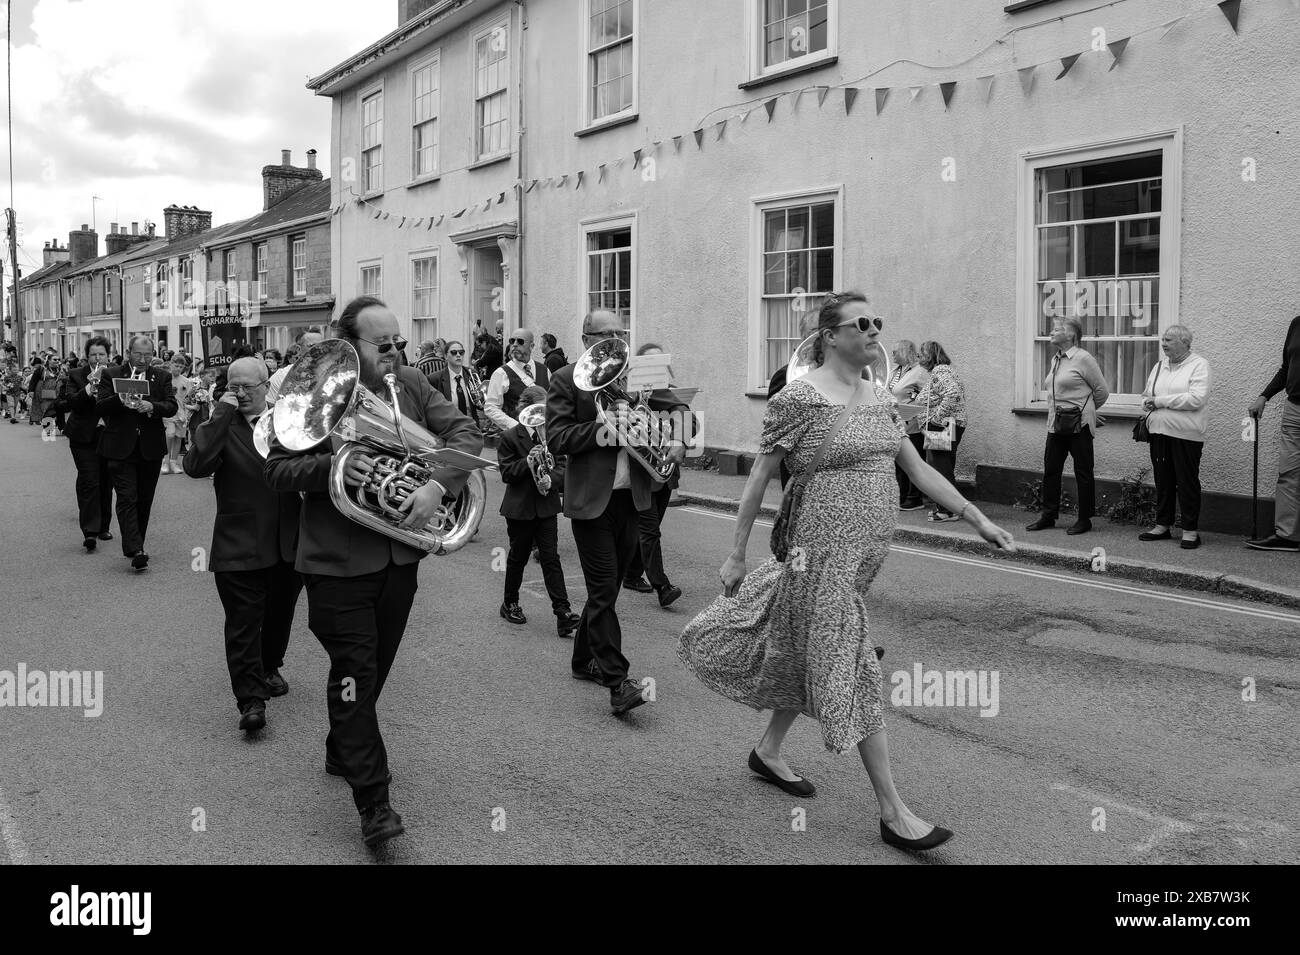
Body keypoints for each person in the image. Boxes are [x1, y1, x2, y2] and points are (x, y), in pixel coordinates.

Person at [678, 291, 1016, 852]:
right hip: (819, 558)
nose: (875, 330)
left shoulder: (881, 397)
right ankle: (894, 811)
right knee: (849, 663)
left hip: (861, 560)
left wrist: (975, 516)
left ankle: (767, 751)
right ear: (830, 335)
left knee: (803, 646)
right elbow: (760, 478)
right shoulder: (799, 397)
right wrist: (736, 552)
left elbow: (915, 468)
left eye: (879, 320)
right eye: (863, 323)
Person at [264, 295, 482, 848]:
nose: (395, 353)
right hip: (336, 565)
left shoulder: (410, 384)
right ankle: (375, 804)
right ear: (349, 346)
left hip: (397, 559)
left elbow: (466, 436)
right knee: (355, 673)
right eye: (383, 345)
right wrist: (337, 460)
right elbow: (277, 471)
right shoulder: (309, 388)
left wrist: (437, 486)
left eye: (399, 342)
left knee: (372, 673)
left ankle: (344, 746)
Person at [546, 309, 689, 715]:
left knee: (603, 591)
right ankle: (617, 681)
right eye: (604, 333)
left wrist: (678, 438)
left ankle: (581, 660)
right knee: (605, 588)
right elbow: (557, 436)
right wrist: (605, 429)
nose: (614, 339)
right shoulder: (565, 378)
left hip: (633, 498)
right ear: (586, 338)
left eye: (619, 332)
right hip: (591, 501)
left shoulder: (637, 375)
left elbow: (679, 409)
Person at [185, 357, 302, 733]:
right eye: (233, 386)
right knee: (242, 624)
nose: (240, 394)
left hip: (287, 539)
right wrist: (222, 411)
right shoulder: (221, 423)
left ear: (266, 386)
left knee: (279, 614)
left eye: (248, 387)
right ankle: (250, 700)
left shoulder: (288, 419)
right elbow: (196, 464)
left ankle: (269, 665)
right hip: (239, 542)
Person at [496, 384, 581, 636]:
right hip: (520, 508)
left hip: (546, 506)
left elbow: (563, 466)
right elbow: (507, 473)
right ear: (525, 409)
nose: (543, 417)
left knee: (551, 558)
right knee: (518, 557)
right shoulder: (510, 437)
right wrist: (528, 461)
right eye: (539, 410)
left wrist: (551, 480)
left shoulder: (552, 436)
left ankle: (562, 612)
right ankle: (509, 602)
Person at [96, 335, 178, 571]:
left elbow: (171, 406)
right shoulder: (111, 374)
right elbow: (100, 406)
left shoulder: (161, 376)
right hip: (119, 447)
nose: (142, 359)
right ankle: (136, 549)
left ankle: (137, 542)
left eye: (148, 355)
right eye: (138, 354)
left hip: (149, 447)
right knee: (126, 497)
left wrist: (153, 406)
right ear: (128, 352)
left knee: (144, 499)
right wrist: (119, 399)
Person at [1025, 318, 1109, 536]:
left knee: (1083, 472)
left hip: (1078, 425)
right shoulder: (1056, 359)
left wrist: (1088, 411)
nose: (1051, 332)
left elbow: (1102, 391)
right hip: (1056, 424)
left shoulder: (1083, 358)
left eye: (1057, 329)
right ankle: (1049, 515)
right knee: (1051, 471)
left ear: (1072, 335)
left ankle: (1084, 519)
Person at [1136, 326, 1211, 549]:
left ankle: (1190, 530)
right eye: (1163, 340)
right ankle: (1162, 525)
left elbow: (1196, 399)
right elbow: (1146, 395)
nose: (1163, 343)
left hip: (1186, 434)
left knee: (1186, 481)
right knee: (1163, 480)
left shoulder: (1199, 365)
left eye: (1168, 340)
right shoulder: (1159, 366)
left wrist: (1160, 401)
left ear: (1184, 342)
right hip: (1159, 432)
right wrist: (1147, 402)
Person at [622, 343, 684, 608]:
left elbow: (687, 416)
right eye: (649, 364)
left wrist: (679, 437)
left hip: (663, 470)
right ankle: (662, 585)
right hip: (639, 473)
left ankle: (632, 574)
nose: (654, 369)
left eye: (659, 364)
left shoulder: (664, 393)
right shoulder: (628, 392)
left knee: (649, 527)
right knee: (650, 530)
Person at [53, 336, 115, 551]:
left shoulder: (116, 374)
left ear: (108, 355)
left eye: (101, 354)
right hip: (82, 437)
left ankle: (103, 526)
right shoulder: (76, 375)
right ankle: (90, 531)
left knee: (106, 481)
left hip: (108, 435)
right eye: (93, 355)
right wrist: (90, 387)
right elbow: (70, 403)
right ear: (86, 356)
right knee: (90, 480)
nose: (97, 358)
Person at [1246, 314, 1300, 552]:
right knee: (1289, 473)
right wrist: (1264, 396)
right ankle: (1287, 536)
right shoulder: (1297, 324)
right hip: (1295, 409)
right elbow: (1286, 367)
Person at [914, 340, 968, 522]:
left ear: (930, 355)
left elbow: (952, 394)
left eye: (921, 353)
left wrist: (935, 420)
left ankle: (948, 510)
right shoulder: (944, 371)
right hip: (950, 424)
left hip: (942, 426)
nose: (918, 356)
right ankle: (946, 508)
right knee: (943, 466)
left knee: (939, 468)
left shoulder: (940, 372)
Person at [767, 311, 820, 489]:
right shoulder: (784, 376)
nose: (820, 334)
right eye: (815, 330)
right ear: (803, 336)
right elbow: (776, 433)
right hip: (800, 474)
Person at [886, 339, 930, 511]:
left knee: (913, 460)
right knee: (899, 462)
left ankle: (915, 498)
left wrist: (912, 403)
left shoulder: (919, 372)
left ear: (904, 352)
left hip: (913, 423)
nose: (892, 355)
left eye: (895, 351)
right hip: (897, 423)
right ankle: (902, 495)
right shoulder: (896, 370)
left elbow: (927, 395)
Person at [485, 329, 550, 434]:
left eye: (520, 341)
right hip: (517, 438)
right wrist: (514, 426)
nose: (514, 345)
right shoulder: (501, 373)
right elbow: (491, 407)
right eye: (512, 341)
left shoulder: (544, 370)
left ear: (532, 346)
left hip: (545, 434)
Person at [265, 329, 326, 405]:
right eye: (313, 346)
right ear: (298, 349)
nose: (320, 350)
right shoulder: (281, 376)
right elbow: (271, 407)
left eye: (323, 345)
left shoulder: (333, 372)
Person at [429, 340, 484, 422]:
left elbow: (480, 405)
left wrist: (482, 397)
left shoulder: (471, 374)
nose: (458, 355)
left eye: (461, 352)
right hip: (448, 427)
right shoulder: (435, 379)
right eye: (454, 352)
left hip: (471, 425)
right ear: (446, 356)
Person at [162, 355, 195, 474]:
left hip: (181, 413)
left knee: (178, 437)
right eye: (176, 366)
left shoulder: (186, 381)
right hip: (168, 412)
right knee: (169, 435)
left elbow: (188, 399)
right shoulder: (164, 378)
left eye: (181, 367)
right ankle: (165, 461)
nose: (178, 369)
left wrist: (186, 413)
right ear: (171, 364)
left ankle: (173, 462)